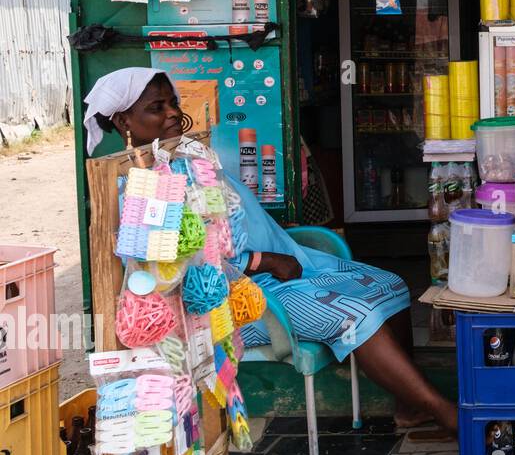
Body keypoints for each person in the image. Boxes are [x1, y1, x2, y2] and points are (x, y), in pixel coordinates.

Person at [84, 68, 457, 432]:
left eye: (171, 103)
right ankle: (443, 411)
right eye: (156, 107)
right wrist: (262, 260)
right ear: (122, 122)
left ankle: (410, 405)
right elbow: (183, 265)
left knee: (390, 284)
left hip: (290, 265)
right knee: (354, 314)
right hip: (245, 294)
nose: (171, 113)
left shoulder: (187, 157)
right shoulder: (140, 186)